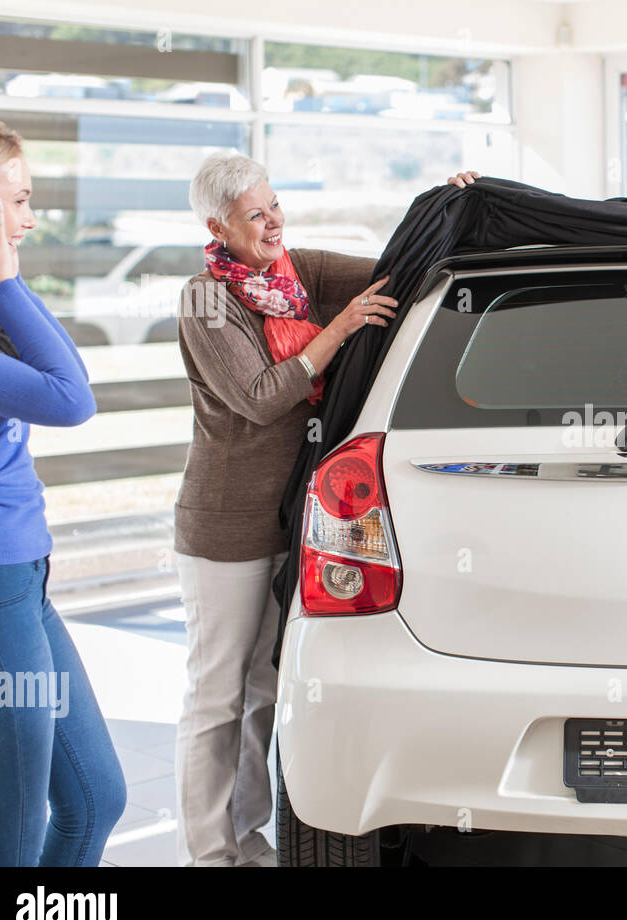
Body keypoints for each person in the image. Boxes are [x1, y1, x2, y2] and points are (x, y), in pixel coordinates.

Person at [174, 154, 479, 866]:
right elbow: (260, 397)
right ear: (218, 226)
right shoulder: (205, 299)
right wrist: (338, 330)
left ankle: (249, 849)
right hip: (225, 528)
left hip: (292, 521)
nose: (274, 221)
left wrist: (450, 204)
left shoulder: (298, 271)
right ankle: (212, 857)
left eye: (275, 204)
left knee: (262, 695)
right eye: (256, 214)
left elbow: (400, 267)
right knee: (216, 698)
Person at [0, 121, 126, 866]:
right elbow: (70, 397)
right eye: (20, 200)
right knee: (8, 838)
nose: (31, 219)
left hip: (22, 578)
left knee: (96, 797)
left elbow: (62, 371)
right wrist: (2, 280)